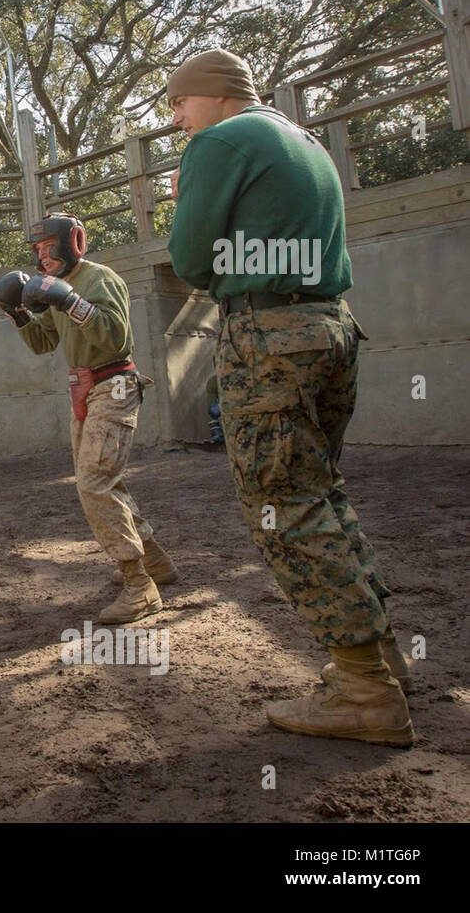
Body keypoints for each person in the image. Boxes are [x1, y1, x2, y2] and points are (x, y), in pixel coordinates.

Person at [165, 48, 413, 746]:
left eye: (178, 104)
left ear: (213, 96)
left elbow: (189, 261)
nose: (176, 119)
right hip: (331, 325)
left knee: (284, 503)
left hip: (269, 335)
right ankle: (382, 657)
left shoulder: (220, 141)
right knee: (320, 491)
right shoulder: (303, 141)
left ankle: (367, 692)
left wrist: (196, 216)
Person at [0, 214, 177, 624]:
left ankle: (139, 587)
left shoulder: (100, 278)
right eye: (36, 251)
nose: (42, 257)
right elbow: (44, 343)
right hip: (83, 389)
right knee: (105, 479)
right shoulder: (50, 290)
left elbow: (116, 339)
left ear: (71, 242)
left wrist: (70, 300)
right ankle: (157, 563)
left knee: (94, 482)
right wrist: (17, 314)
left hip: (114, 384)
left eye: (47, 247)